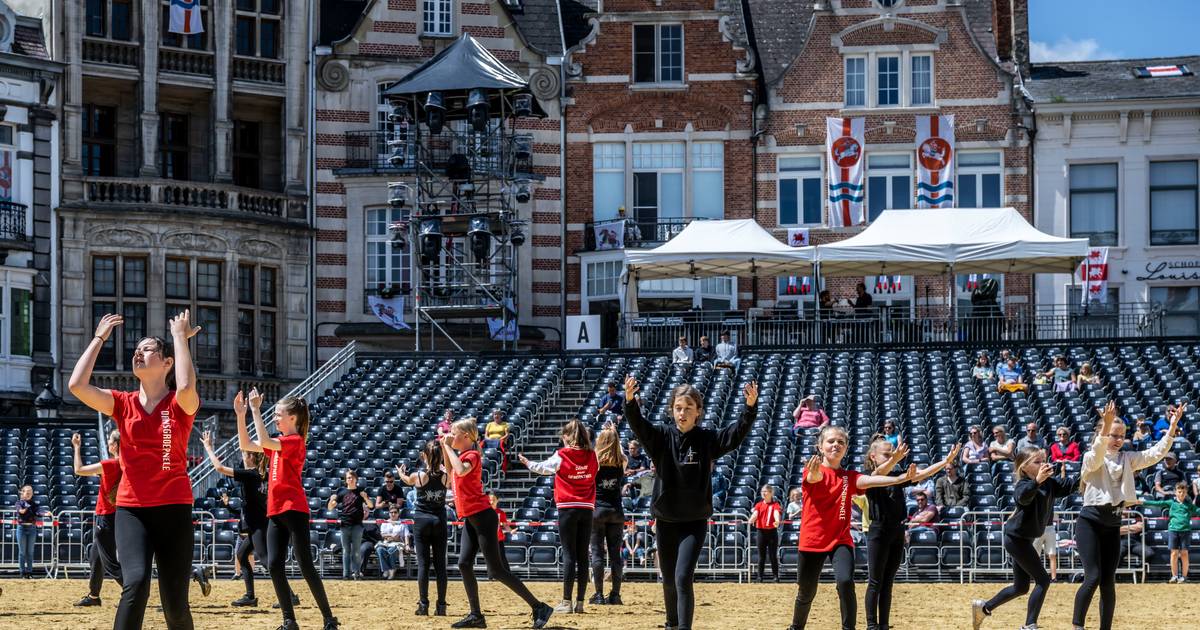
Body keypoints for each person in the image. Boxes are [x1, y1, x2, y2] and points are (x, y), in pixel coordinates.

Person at [68, 311, 202, 629]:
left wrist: (179, 339)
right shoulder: (122, 403)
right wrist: (99, 337)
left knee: (175, 607)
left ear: (167, 362)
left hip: (174, 508)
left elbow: (185, 385)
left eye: (146, 349)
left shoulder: (179, 403)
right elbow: (76, 385)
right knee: (136, 584)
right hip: (132, 509)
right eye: (136, 350)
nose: (137, 353)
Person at [623, 374, 758, 630]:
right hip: (665, 520)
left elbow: (735, 434)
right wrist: (630, 402)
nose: (682, 413)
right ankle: (671, 624)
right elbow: (638, 425)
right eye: (678, 408)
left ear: (698, 412)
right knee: (667, 581)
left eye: (688, 408)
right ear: (672, 409)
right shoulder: (661, 437)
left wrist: (749, 409)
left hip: (694, 521)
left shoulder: (706, 439)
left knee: (682, 577)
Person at [788, 426, 918, 630]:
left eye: (841, 442)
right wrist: (813, 473)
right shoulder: (812, 471)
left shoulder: (849, 477)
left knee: (846, 582)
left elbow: (872, 479)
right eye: (831, 441)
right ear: (820, 446)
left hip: (840, 539)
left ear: (846, 448)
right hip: (812, 541)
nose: (836, 445)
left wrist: (901, 478)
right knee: (806, 591)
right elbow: (814, 478)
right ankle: (796, 627)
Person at [1071, 401, 1181, 630]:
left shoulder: (1127, 458)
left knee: (1108, 582)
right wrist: (1106, 425)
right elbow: (1097, 453)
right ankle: (1077, 626)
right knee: (1092, 577)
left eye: (1122, 436)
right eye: (1113, 434)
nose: (1118, 439)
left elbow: (1154, 454)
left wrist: (1171, 429)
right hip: (1089, 522)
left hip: (1112, 524)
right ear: (1103, 433)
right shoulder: (1091, 457)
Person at [238, 388, 339, 630]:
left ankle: (328, 618)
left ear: (292, 418)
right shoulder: (279, 443)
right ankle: (289, 620)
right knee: (273, 565)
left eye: (278, 414)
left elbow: (262, 440)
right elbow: (246, 444)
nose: (275, 418)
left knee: (305, 564)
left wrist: (255, 410)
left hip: (294, 509)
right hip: (275, 511)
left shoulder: (294, 441)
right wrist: (242, 415)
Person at [442, 418, 554, 629]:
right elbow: (451, 474)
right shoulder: (461, 455)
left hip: (483, 516)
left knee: (496, 571)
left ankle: (539, 607)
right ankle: (476, 615)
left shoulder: (473, 455)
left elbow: (461, 470)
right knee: (464, 563)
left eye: (454, 433)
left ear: (466, 436)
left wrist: (448, 447)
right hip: (471, 517)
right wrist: (444, 447)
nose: (450, 436)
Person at [972, 448, 1079, 630]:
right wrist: (1037, 481)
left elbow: (1069, 485)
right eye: (1037, 462)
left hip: (1024, 539)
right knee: (1043, 580)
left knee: (1020, 588)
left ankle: (984, 608)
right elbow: (1023, 498)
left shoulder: (1049, 483)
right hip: (1016, 539)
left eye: (1044, 460)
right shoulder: (1023, 484)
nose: (1043, 464)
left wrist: (1091, 469)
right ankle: (1030, 625)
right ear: (1025, 468)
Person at [862, 438, 961, 630]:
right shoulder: (870, 475)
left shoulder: (897, 474)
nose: (892, 457)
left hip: (897, 530)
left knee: (888, 582)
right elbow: (879, 473)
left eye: (892, 454)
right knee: (875, 581)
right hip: (879, 531)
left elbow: (924, 474)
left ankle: (884, 625)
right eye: (887, 454)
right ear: (873, 456)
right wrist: (895, 459)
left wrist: (945, 461)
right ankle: (871, 625)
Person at [520, 419, 599, 614]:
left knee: (569, 555)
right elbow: (594, 472)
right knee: (583, 556)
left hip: (567, 507)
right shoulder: (592, 455)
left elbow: (543, 468)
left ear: (567, 436)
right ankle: (580, 603)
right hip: (587, 508)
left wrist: (528, 462)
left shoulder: (562, 454)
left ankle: (566, 602)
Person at [201, 429, 270, 607]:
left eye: (245, 453)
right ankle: (250, 596)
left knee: (265, 560)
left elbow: (219, 468)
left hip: (258, 524)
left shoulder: (251, 474)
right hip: (258, 522)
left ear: (252, 457)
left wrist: (209, 448)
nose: (242, 454)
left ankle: (290, 595)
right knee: (242, 554)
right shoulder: (261, 474)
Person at [396, 440, 450, 616]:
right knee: (440, 565)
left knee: (423, 565)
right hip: (439, 520)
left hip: (421, 520)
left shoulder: (418, 476)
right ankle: (441, 606)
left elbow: (405, 480)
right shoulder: (446, 475)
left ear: (424, 456)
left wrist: (400, 472)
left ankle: (423, 605)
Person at [72, 431, 124, 605]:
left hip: (106, 516)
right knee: (96, 556)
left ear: (115, 445)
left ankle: (137, 592)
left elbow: (78, 470)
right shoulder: (127, 464)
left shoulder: (110, 464)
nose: (108, 443)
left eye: (110, 441)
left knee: (110, 563)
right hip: (117, 515)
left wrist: (77, 447)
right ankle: (94, 596)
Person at [589, 422, 627, 606]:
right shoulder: (622, 461)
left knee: (597, 553)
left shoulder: (594, 461)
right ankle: (615, 595)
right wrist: (614, 433)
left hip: (597, 511)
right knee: (615, 555)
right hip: (616, 511)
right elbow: (620, 450)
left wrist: (607, 434)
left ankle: (598, 594)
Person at [1143, 482, 1200, 583]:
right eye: (1179, 492)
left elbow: (1198, 510)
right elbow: (1157, 503)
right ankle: (1174, 576)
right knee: (1173, 553)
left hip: (1185, 531)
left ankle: (1184, 577)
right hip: (1173, 531)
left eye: (1183, 492)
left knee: (1184, 553)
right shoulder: (1171, 503)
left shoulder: (1189, 505)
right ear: (1176, 492)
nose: (1181, 494)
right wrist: (1142, 502)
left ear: (1186, 493)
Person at [328, 469, 374, 579]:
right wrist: (331, 500)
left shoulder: (360, 491)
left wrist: (365, 497)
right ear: (346, 480)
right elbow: (330, 508)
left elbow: (371, 506)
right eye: (348, 477)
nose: (350, 479)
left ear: (356, 479)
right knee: (346, 551)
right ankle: (346, 574)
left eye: (352, 477)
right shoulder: (341, 492)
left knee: (356, 551)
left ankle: (356, 573)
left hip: (357, 525)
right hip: (344, 525)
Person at [750, 485, 783, 583]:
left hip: (772, 532)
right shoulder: (759, 504)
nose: (763, 493)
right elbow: (755, 514)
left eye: (766, 491)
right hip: (761, 532)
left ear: (771, 493)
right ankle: (759, 577)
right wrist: (751, 519)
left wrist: (777, 521)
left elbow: (776, 513)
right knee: (761, 556)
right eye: (762, 491)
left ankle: (776, 577)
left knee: (773, 556)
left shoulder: (775, 504)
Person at [13, 484, 47, 579]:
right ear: (22, 493)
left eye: (30, 493)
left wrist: (44, 513)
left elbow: (38, 512)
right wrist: (26, 506)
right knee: (22, 552)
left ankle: (29, 572)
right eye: (27, 492)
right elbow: (21, 511)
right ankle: (22, 572)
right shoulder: (19, 503)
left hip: (32, 528)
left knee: (30, 552)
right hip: (21, 529)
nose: (28, 494)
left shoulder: (34, 504)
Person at [376, 507, 410, 579]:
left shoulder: (403, 522)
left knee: (391, 550)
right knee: (379, 549)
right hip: (386, 542)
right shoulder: (385, 522)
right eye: (391, 512)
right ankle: (387, 569)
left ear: (398, 513)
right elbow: (382, 534)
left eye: (395, 512)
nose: (393, 514)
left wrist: (407, 545)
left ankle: (391, 569)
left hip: (398, 543)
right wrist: (391, 536)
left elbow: (406, 535)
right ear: (389, 513)